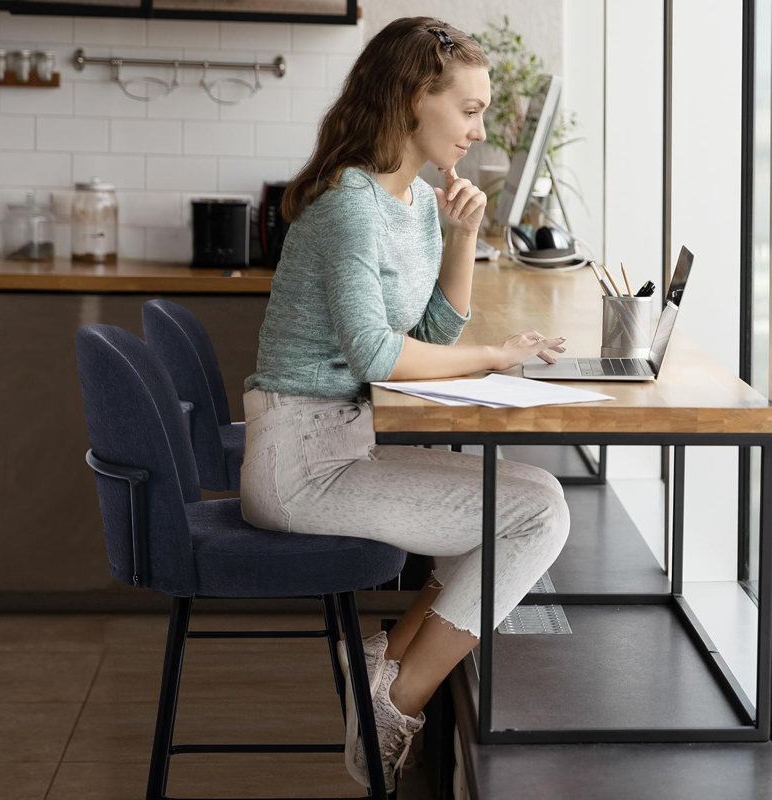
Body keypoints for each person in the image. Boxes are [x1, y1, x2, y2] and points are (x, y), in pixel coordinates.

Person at [241, 16, 570, 793]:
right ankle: (399, 699)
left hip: (345, 447)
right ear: (415, 97)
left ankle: (385, 663)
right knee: (535, 513)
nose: (478, 129)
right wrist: (494, 356)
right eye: (469, 109)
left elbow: (424, 335)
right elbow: (376, 355)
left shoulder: (418, 202)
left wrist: (460, 240)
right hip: (300, 469)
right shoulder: (349, 205)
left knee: (525, 500)